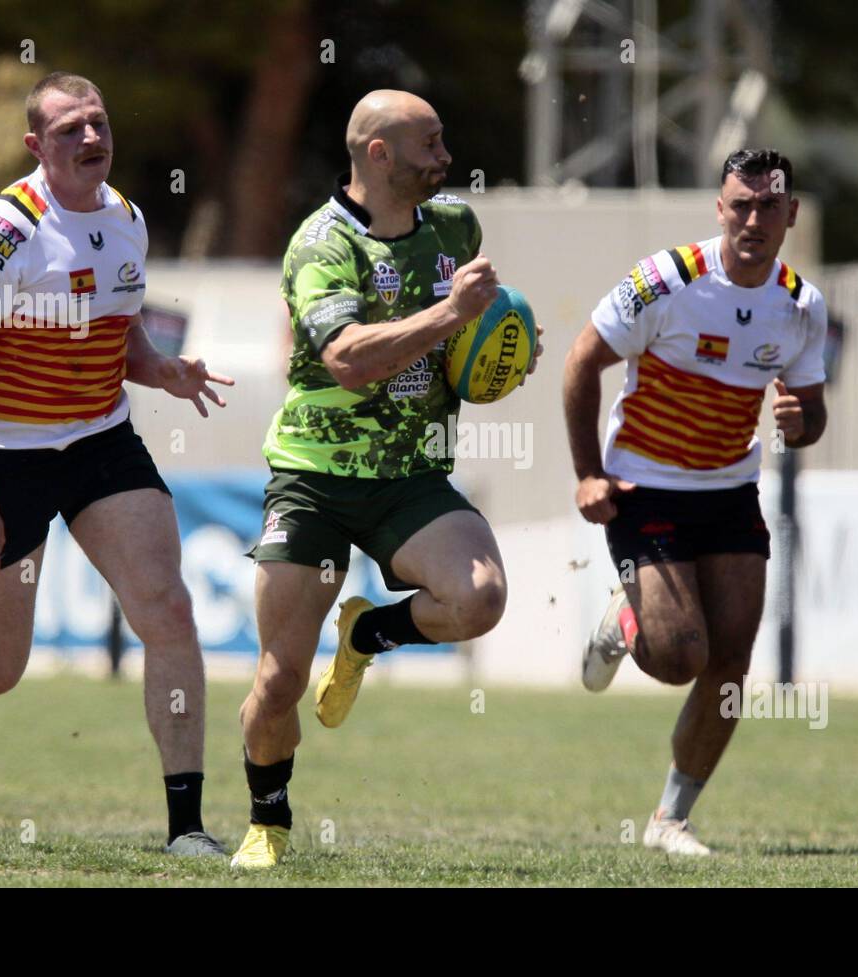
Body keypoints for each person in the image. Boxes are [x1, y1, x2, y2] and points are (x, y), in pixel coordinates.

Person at [0, 71, 233, 856]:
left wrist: (163, 371)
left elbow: (121, 334)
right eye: (70, 129)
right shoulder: (5, 230)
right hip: (7, 455)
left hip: (102, 443)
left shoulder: (129, 220)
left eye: (99, 123)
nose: (91, 139)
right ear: (36, 145)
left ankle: (187, 829)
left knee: (168, 612)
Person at [231, 89, 542, 869]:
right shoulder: (320, 244)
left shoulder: (455, 227)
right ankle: (268, 820)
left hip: (411, 476)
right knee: (278, 680)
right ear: (378, 153)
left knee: (480, 598)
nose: (445, 157)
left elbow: (475, 332)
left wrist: (507, 353)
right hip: (316, 479)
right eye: (429, 144)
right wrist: (448, 317)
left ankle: (369, 631)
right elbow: (348, 359)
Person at [562, 149, 828, 856]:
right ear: (719, 208)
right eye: (739, 204)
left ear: (790, 214)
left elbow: (812, 410)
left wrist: (806, 422)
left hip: (730, 492)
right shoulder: (666, 281)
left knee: (731, 667)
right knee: (681, 654)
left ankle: (670, 820)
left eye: (768, 206)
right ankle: (630, 615)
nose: (752, 219)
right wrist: (588, 472)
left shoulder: (801, 303)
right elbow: (581, 361)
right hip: (644, 489)